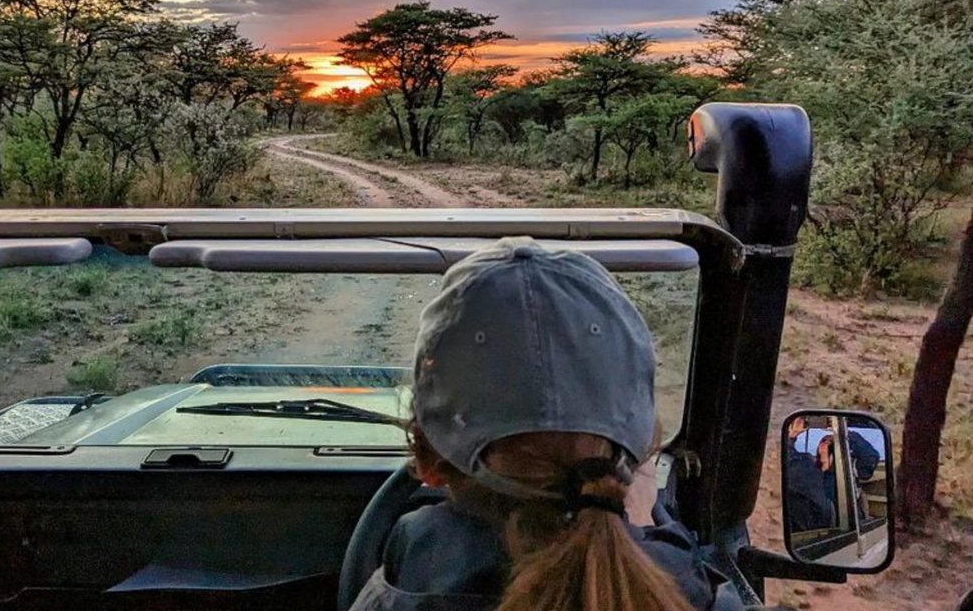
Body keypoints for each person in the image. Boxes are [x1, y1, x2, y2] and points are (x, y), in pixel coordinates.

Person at [350, 238, 745, 611]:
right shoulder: (696, 589)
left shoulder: (408, 577)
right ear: (642, 448)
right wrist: (640, 532)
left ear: (427, 463)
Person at [784, 418, 835, 533]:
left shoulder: (833, 482)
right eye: (823, 441)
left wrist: (792, 435)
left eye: (829, 443)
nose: (824, 445)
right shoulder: (810, 471)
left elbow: (871, 457)